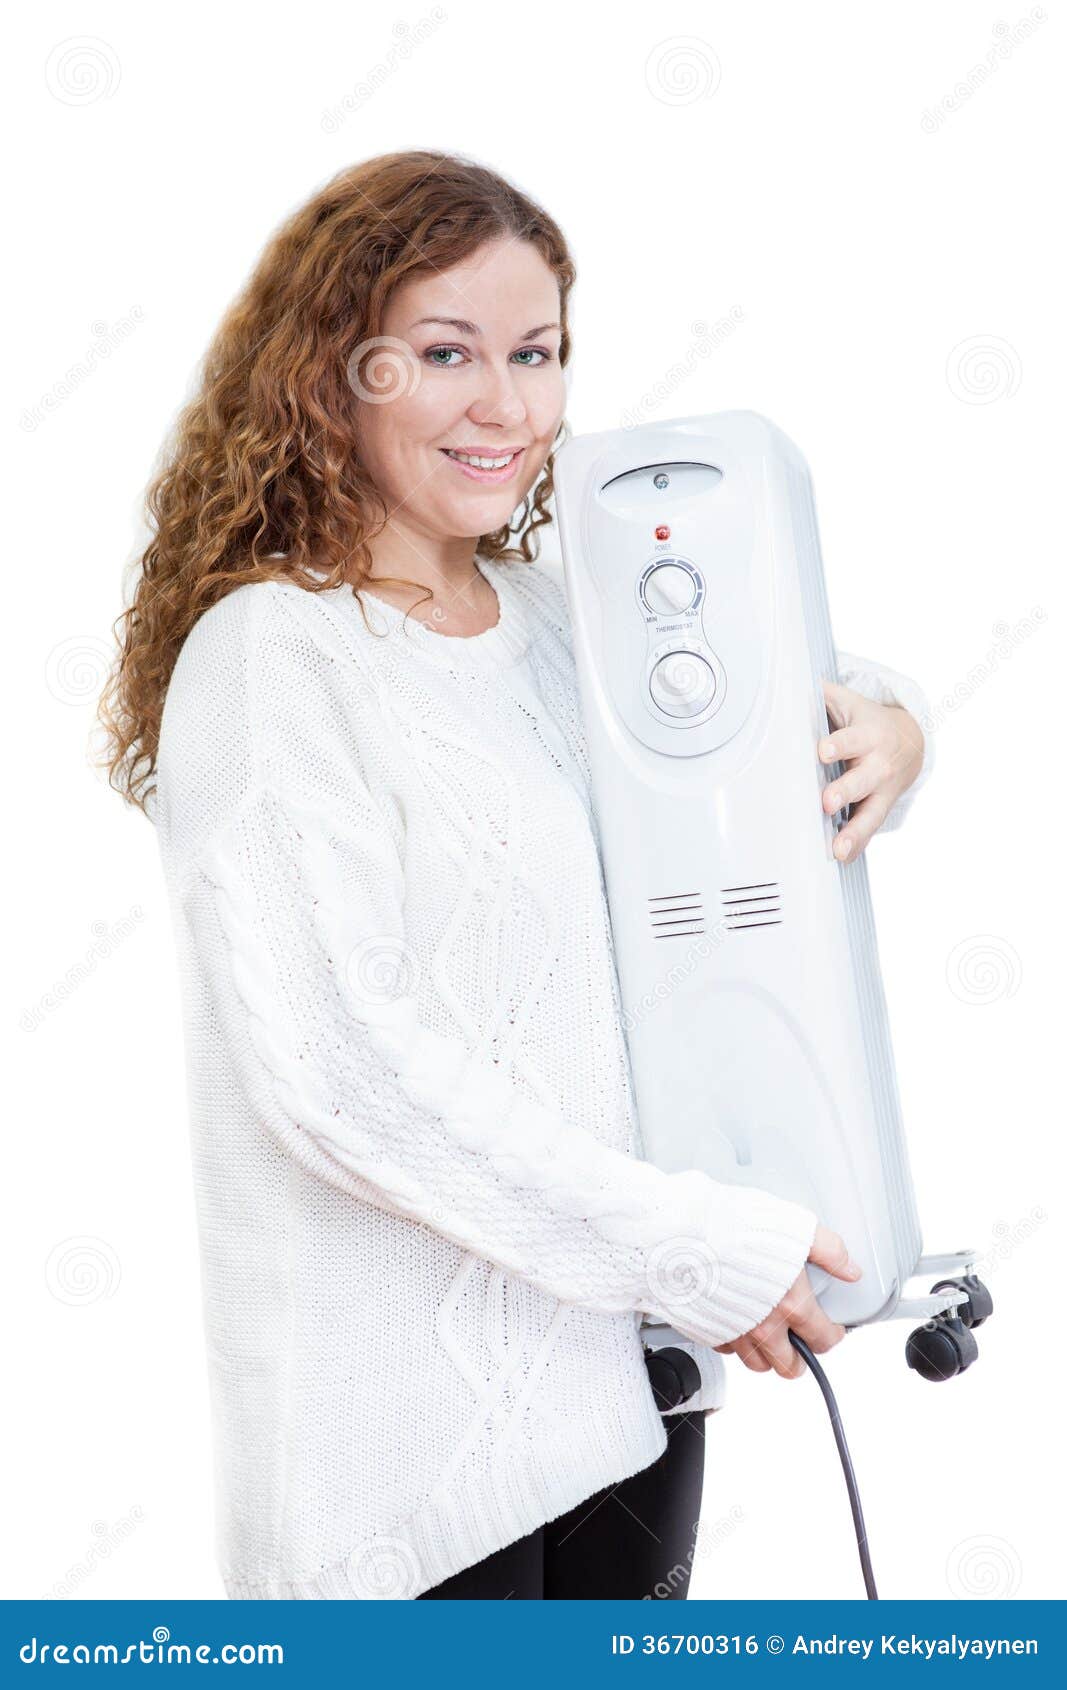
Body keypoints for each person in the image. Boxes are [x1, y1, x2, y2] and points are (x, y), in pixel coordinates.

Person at [95, 150, 933, 1601]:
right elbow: (345, 1070)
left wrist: (896, 721)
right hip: (408, 1471)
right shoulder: (271, 658)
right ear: (326, 377)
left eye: (537, 352)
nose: (509, 405)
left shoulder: (559, 622)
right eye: (444, 354)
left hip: (636, 1392)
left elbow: (737, 703)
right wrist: (696, 1245)